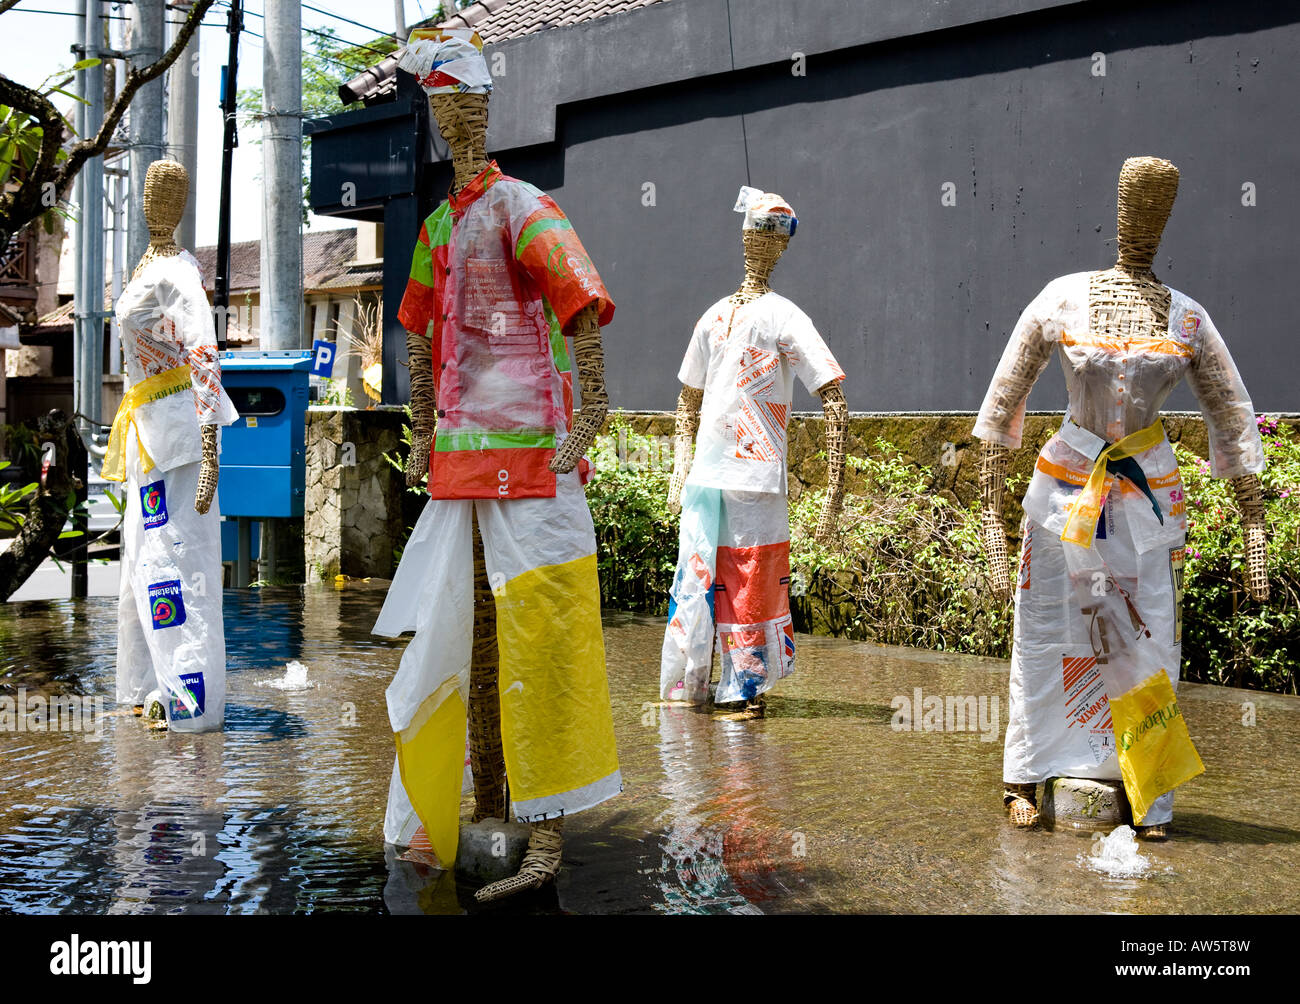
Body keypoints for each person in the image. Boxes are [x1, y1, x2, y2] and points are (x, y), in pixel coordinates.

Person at [374, 29, 622, 902]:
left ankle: (546, 835)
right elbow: (418, 327)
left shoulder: (520, 203)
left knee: (543, 637)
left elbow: (576, 298)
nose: (455, 124)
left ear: (484, 111)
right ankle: (477, 807)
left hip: (531, 462)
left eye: (466, 108)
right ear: (438, 119)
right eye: (444, 111)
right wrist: (417, 432)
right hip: (461, 464)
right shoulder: (440, 222)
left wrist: (590, 409)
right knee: (462, 640)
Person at [974, 157, 1269, 836]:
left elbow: (1230, 412)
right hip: (1064, 494)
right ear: (1118, 206)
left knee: (1146, 640)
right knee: (1048, 631)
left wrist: (1254, 518)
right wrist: (992, 515)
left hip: (1142, 500)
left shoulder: (1189, 319)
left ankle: (1146, 789)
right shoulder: (1063, 298)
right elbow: (1002, 401)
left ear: (1169, 215)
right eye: (1138, 200)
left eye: (1160, 202)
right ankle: (1024, 773)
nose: (1146, 215)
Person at [660, 188, 847, 718]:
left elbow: (833, 394)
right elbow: (686, 399)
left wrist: (832, 492)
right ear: (743, 234)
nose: (760, 242)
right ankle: (693, 685)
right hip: (706, 474)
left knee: (752, 575)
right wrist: (679, 469)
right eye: (756, 230)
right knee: (699, 574)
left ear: (782, 246)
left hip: (757, 471)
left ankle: (747, 688)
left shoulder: (786, 318)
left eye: (770, 233)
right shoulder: (714, 316)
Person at [107, 159, 238, 733]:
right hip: (146, 433)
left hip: (182, 436)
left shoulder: (178, 275)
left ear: (182, 203)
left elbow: (204, 353)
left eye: (171, 193)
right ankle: (148, 685)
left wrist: (210, 450)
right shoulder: (148, 267)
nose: (158, 202)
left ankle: (190, 698)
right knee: (141, 560)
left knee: (180, 567)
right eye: (151, 193)